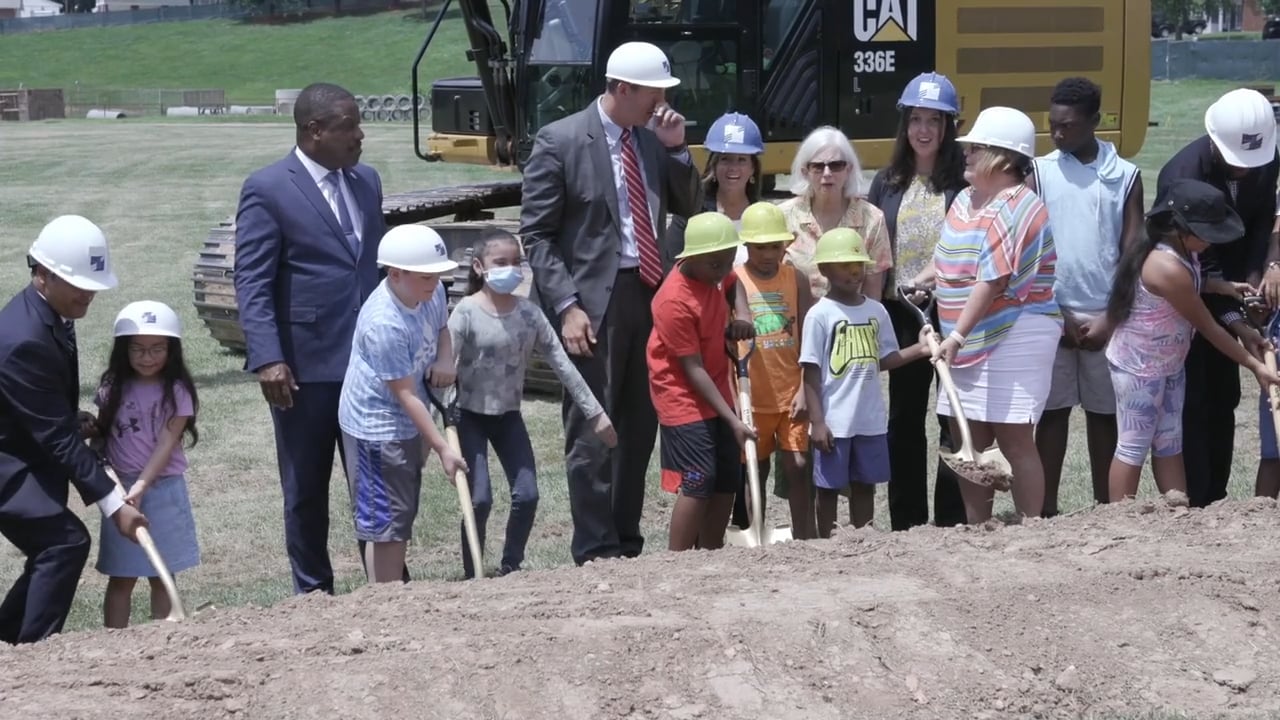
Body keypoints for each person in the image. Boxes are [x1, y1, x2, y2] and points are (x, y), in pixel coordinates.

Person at [521, 41, 702, 565]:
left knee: (640, 424)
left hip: (650, 294)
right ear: (623, 89)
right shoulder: (559, 141)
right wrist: (567, 305)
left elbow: (689, 206)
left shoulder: (651, 139)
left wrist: (676, 150)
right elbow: (537, 236)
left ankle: (626, 542)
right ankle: (595, 548)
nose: (662, 103)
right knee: (593, 427)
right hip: (593, 304)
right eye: (654, 93)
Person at [234, 82, 389, 594]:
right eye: (349, 125)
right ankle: (313, 591)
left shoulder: (367, 181)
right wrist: (268, 358)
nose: (360, 135)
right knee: (306, 488)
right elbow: (252, 281)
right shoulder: (269, 188)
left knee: (375, 480)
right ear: (314, 130)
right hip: (304, 369)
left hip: (368, 364)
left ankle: (387, 582)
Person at [0, 215, 148, 644]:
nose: (89, 293)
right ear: (42, 275)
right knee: (63, 543)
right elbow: (56, 440)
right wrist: (114, 503)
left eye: (93, 283)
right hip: (8, 466)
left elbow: (43, 413)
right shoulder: (22, 337)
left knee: (56, 545)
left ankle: (11, 642)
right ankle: (33, 652)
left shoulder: (51, 313)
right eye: (78, 282)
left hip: (22, 452)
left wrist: (68, 417)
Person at [449, 231, 618, 579]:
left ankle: (512, 564)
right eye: (501, 263)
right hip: (468, 416)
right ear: (479, 267)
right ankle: (473, 572)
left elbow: (563, 365)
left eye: (516, 263)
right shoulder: (465, 313)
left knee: (527, 494)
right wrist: (442, 430)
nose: (510, 270)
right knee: (478, 499)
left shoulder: (530, 315)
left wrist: (596, 414)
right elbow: (442, 370)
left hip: (508, 416)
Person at [1104, 178, 1280, 501]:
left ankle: (1177, 513)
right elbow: (1209, 327)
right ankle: (1120, 518)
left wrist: (1221, 286)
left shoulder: (1180, 252)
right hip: (1140, 367)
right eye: (1207, 235)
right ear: (1181, 229)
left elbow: (1194, 283)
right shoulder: (1165, 266)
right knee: (1133, 445)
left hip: (1170, 362)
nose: (1211, 243)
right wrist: (1255, 365)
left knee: (1170, 440)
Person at [932, 107, 1062, 524]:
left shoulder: (1019, 205)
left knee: (1013, 436)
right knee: (971, 433)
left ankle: (1030, 526)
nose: (966, 152)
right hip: (968, 335)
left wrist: (955, 337)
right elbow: (953, 260)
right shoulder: (965, 200)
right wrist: (920, 279)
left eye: (977, 147)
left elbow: (993, 279)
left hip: (1016, 332)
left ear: (1004, 158)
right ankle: (979, 530)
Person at [1156, 88, 1278, 508]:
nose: (1246, 172)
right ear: (1214, 140)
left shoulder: (1264, 159)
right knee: (1192, 401)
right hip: (1188, 302)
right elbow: (1189, 267)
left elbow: (1261, 222)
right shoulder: (1180, 175)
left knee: (1222, 399)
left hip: (1229, 293)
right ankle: (1194, 500)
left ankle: (1218, 501)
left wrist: (1255, 277)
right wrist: (1236, 316)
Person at [1029, 77, 1144, 515]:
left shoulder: (1125, 176)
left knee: (1104, 417)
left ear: (1095, 122)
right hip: (1051, 314)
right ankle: (1045, 509)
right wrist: (1055, 315)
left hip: (1105, 316)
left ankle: (1106, 508)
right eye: (1053, 125)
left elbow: (1133, 252)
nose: (1058, 134)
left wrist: (1112, 320)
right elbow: (1032, 248)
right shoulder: (1040, 171)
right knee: (1053, 414)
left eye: (1068, 126)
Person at [866, 71, 968, 531]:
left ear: (949, 127)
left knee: (950, 415)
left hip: (952, 315)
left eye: (934, 120)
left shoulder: (965, 181)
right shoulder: (887, 182)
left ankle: (951, 517)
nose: (923, 130)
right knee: (903, 420)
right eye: (915, 119)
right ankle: (906, 521)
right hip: (899, 316)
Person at [336, 225, 467, 584]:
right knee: (387, 521)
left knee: (399, 510)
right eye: (426, 276)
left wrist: (445, 359)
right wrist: (442, 447)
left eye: (438, 275)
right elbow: (405, 394)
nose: (435, 283)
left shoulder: (431, 290)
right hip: (378, 427)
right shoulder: (384, 324)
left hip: (411, 418)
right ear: (395, 274)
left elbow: (441, 328)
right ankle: (386, 600)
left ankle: (389, 591)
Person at [801, 228, 932, 536]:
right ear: (824, 270)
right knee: (829, 486)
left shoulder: (877, 311)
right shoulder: (820, 315)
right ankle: (828, 540)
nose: (853, 271)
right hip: (835, 419)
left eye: (858, 264)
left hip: (869, 419)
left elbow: (884, 360)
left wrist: (920, 348)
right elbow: (810, 371)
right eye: (844, 265)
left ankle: (864, 537)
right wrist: (817, 422)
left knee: (865, 484)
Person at [648, 212, 755, 552]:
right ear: (689, 257)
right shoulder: (673, 301)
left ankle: (712, 555)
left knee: (727, 478)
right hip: (682, 396)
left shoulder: (717, 270)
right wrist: (733, 420)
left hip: (716, 389)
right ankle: (678, 561)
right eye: (715, 265)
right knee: (698, 478)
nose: (722, 272)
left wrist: (744, 315)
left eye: (727, 262)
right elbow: (691, 369)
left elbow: (733, 281)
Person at [93, 301, 200, 628]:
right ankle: (114, 642)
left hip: (163, 490)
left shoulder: (178, 392)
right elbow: (103, 433)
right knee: (122, 577)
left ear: (172, 350)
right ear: (123, 350)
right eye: (137, 349)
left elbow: (166, 445)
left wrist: (141, 486)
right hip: (120, 492)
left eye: (157, 349)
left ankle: (163, 638)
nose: (147, 357)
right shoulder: (112, 386)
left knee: (161, 572)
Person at [732, 201, 815, 539]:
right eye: (759, 247)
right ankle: (757, 534)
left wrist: (804, 387)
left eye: (775, 246)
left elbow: (810, 335)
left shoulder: (796, 278)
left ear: (787, 244)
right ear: (747, 246)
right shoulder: (735, 281)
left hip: (791, 391)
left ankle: (806, 536)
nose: (767, 254)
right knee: (756, 467)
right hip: (753, 395)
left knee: (798, 466)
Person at [779, 126, 893, 302]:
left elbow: (872, 295)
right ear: (805, 172)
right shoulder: (783, 216)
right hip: (796, 323)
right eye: (817, 166)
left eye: (836, 165)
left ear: (849, 170)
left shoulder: (873, 219)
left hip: (851, 326)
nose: (827, 174)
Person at [665, 111, 766, 269]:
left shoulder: (765, 217)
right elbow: (671, 265)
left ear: (753, 168)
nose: (733, 167)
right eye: (725, 159)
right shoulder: (690, 215)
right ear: (714, 165)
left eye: (742, 160)